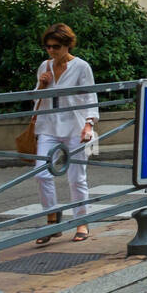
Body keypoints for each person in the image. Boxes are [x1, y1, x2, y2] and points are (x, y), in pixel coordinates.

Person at [32, 24, 99, 244]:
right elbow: (36, 99)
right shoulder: (45, 66)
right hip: (48, 126)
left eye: (56, 47)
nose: (51, 51)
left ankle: (81, 222)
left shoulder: (81, 67)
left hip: (74, 127)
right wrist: (42, 85)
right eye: (47, 47)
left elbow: (90, 97)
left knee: (76, 178)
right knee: (42, 173)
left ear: (67, 45)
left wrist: (89, 124)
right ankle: (53, 219)